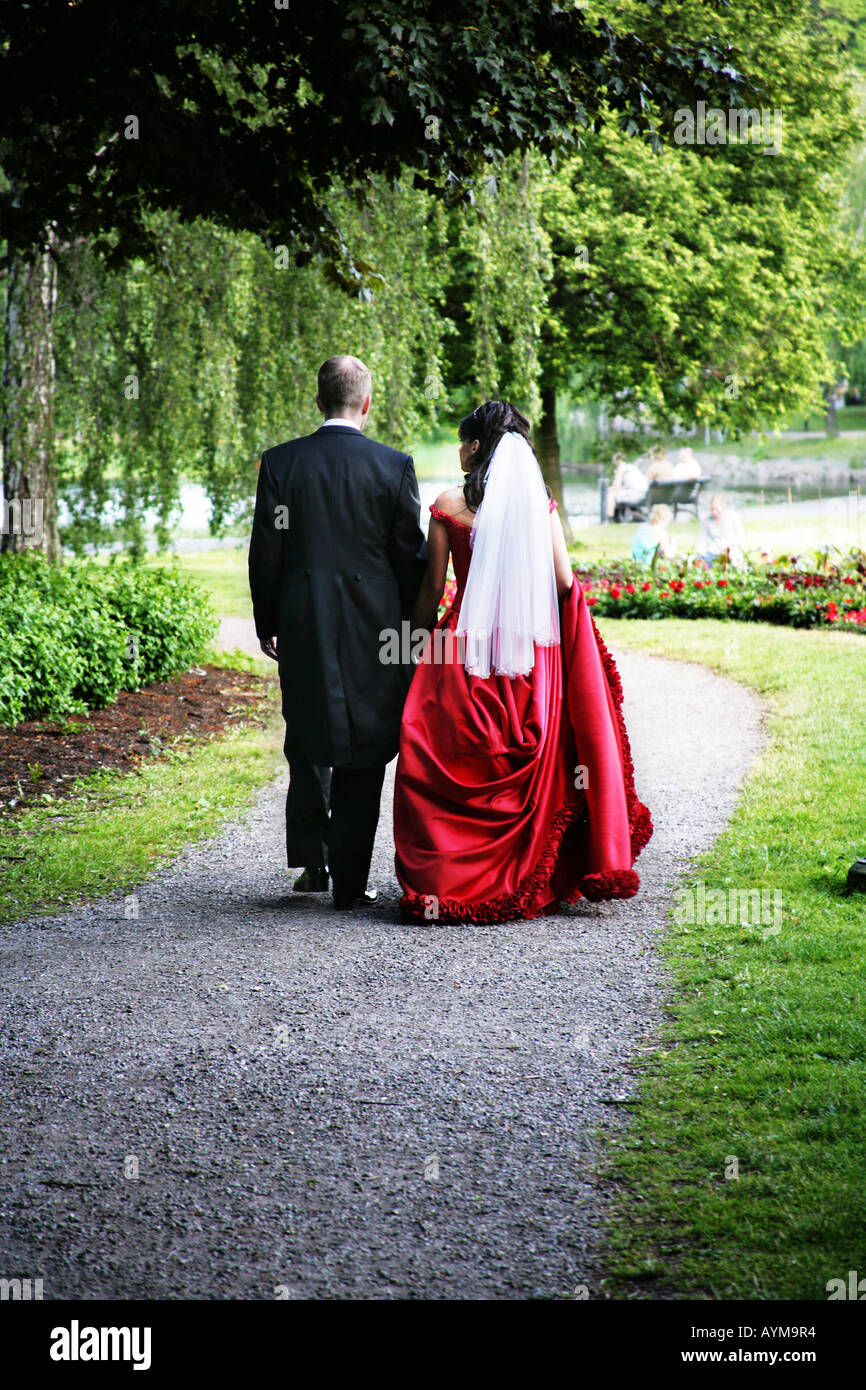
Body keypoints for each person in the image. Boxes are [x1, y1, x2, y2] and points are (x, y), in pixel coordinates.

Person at [393, 400, 653, 923]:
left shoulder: (447, 505)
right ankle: (527, 870)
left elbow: (433, 586)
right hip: (528, 648)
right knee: (533, 754)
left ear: (475, 446)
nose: (460, 450)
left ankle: (446, 877)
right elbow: (561, 582)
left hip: (464, 648)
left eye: (463, 441)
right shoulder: (540, 506)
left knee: (443, 747)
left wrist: (415, 641)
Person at [248, 354, 427, 909]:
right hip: (376, 629)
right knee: (366, 744)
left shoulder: (281, 464)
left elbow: (266, 551)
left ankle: (313, 865)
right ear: (366, 403)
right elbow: (410, 559)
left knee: (305, 734)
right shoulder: (393, 466)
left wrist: (267, 621)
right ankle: (349, 883)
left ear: (319, 399)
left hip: (303, 620)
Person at [699, 492, 745, 567]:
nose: (714, 512)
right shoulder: (707, 520)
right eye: (712, 509)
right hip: (713, 553)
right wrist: (700, 552)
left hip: (732, 553)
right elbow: (702, 540)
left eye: (716, 509)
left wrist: (728, 543)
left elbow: (740, 537)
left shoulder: (733, 516)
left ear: (723, 507)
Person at [606, 452, 648, 519]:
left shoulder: (621, 468)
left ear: (619, 460)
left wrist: (609, 489)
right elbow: (627, 485)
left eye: (614, 461)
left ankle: (608, 518)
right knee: (614, 493)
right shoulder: (631, 467)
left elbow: (616, 487)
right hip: (643, 494)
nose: (613, 463)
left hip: (635, 495)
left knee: (611, 494)